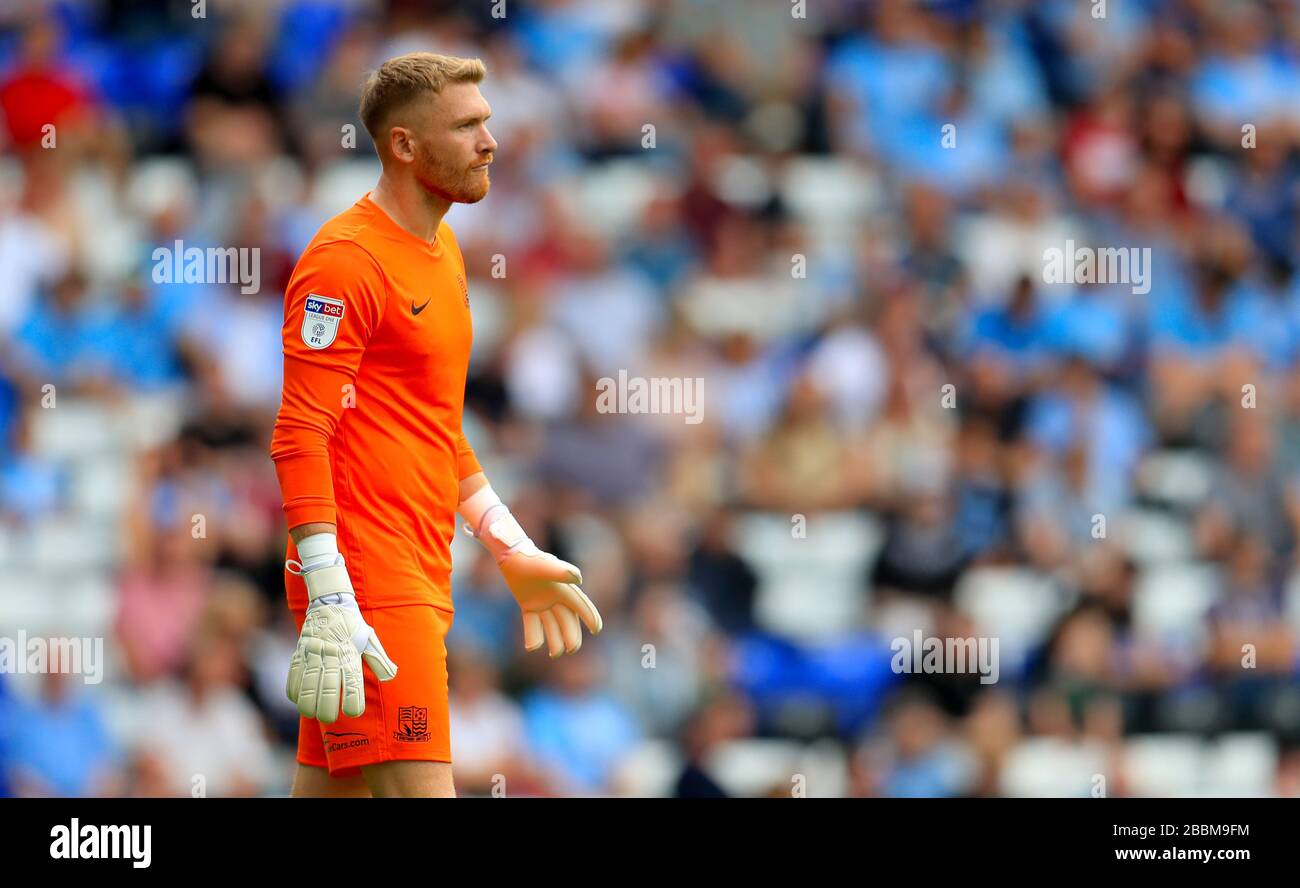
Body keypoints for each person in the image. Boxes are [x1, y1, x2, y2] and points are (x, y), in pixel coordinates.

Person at [270, 52, 602, 799]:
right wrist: (330, 593)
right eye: (467, 126)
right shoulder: (344, 263)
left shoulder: (442, 247)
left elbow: (435, 426)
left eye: (487, 123)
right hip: (367, 582)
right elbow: (299, 433)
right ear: (405, 146)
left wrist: (509, 545)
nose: (489, 142)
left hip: (419, 565)